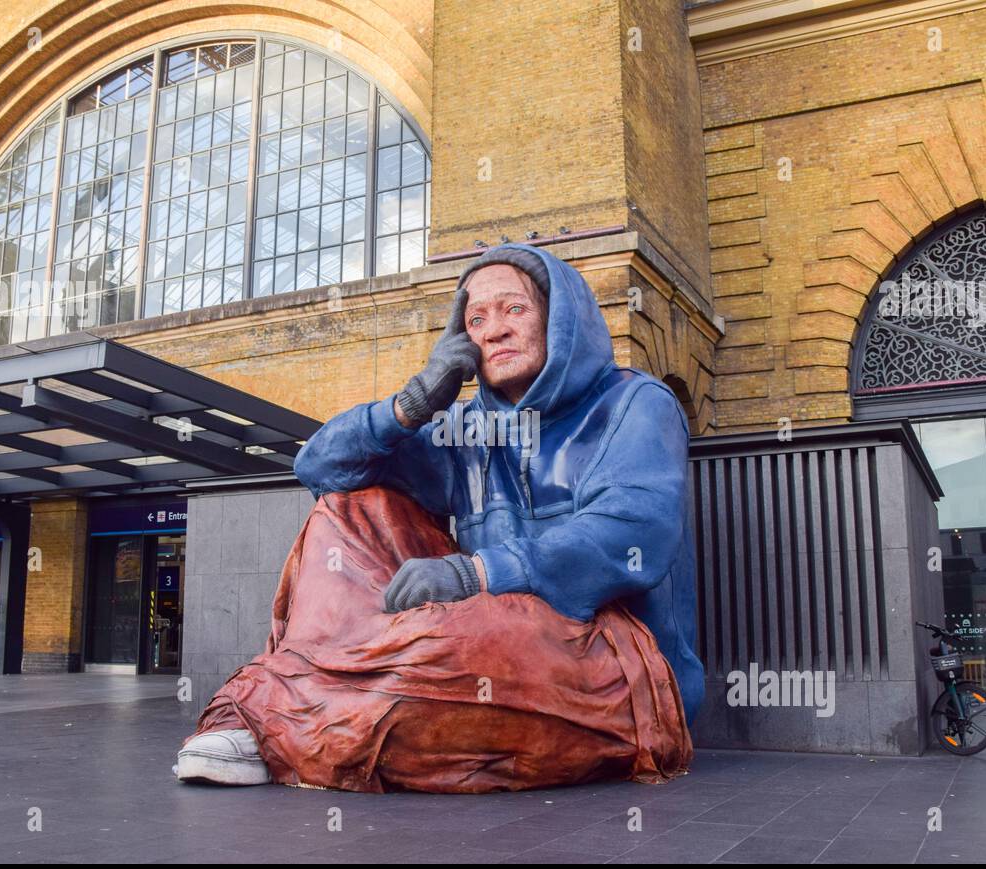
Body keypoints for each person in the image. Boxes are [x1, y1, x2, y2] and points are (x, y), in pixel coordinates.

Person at [177, 242, 704, 792]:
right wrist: (413, 403)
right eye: (476, 319)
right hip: (482, 634)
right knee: (352, 506)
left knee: (478, 634)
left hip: (624, 664)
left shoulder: (634, 402)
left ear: (561, 319)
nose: (493, 330)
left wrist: (473, 575)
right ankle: (308, 716)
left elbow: (634, 530)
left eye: (514, 309)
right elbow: (319, 468)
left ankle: (270, 725)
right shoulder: (466, 428)